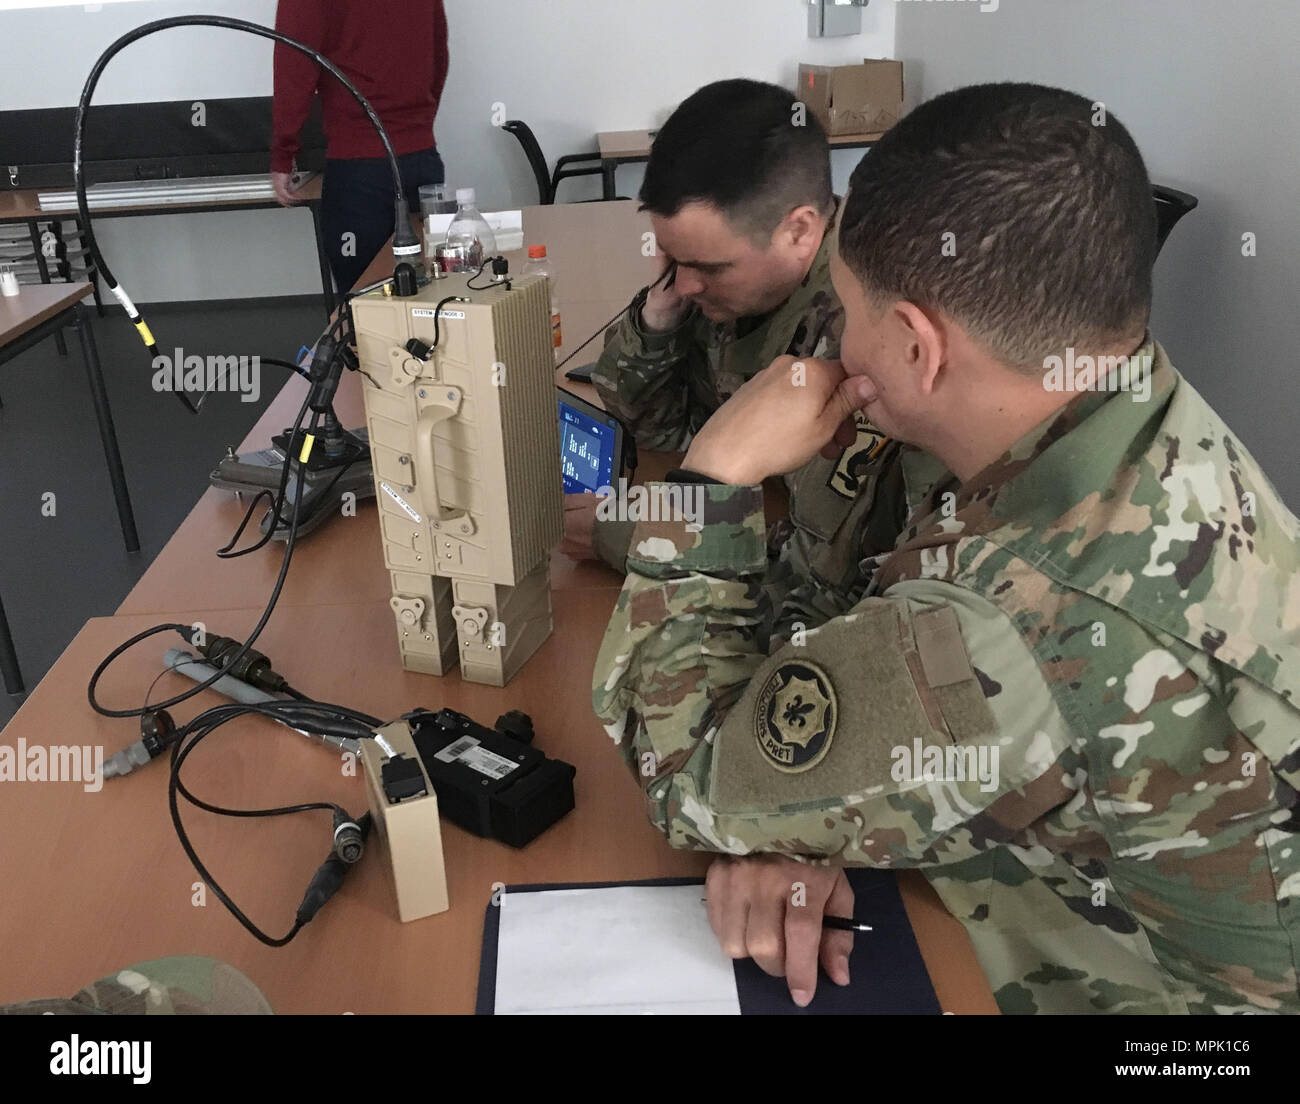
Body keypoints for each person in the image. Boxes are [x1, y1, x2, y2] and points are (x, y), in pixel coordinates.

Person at [591, 82, 1300, 1014]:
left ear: (920, 347)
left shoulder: (1019, 618)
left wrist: (711, 480)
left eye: (846, 312)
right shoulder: (1133, 402)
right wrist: (810, 813)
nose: (835, 340)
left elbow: (685, 771)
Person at [572, 80, 914, 625]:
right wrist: (656, 321)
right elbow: (661, 432)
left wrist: (621, 533)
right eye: (670, 256)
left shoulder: (859, 345)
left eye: (707, 266)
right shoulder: (729, 287)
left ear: (799, 231)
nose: (684, 284)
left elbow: (813, 596)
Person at [270, 0, 450, 293]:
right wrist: (416, 127)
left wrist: (283, 154)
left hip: (359, 172)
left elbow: (295, 66)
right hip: (422, 162)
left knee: (362, 299)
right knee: (427, 292)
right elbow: (438, 53)